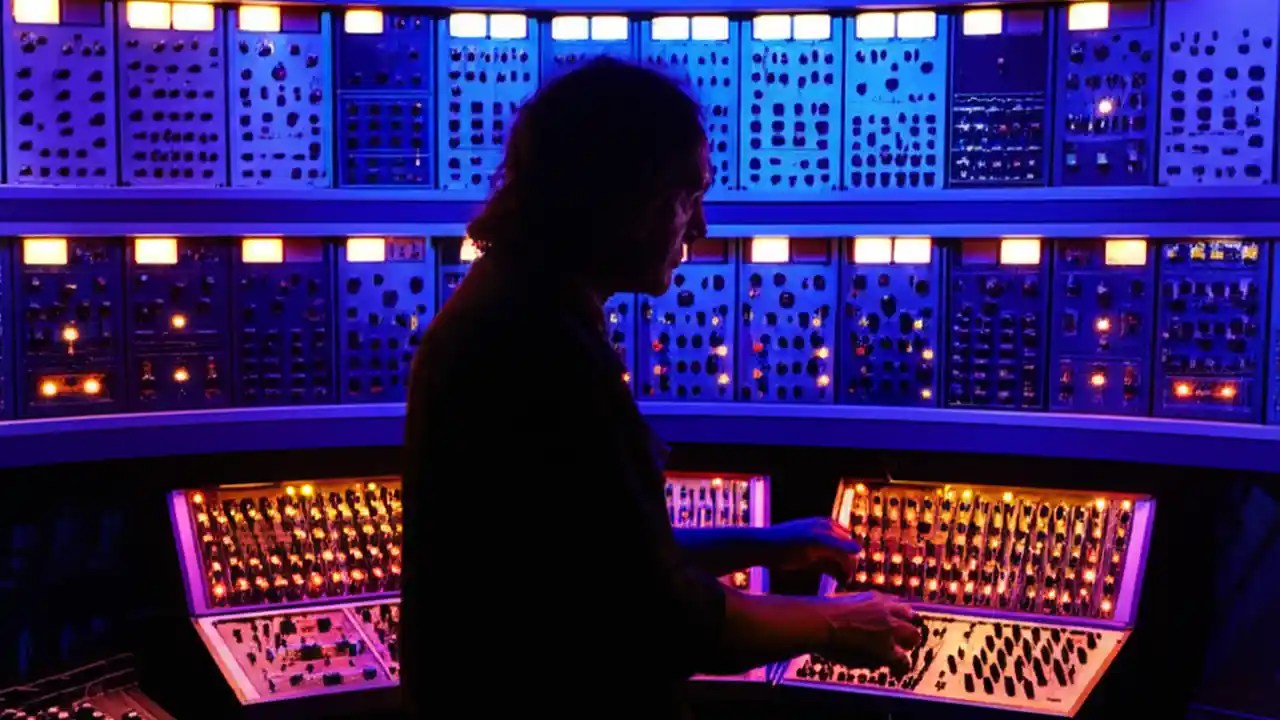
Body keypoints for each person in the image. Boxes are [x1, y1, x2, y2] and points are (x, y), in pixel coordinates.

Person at [400, 57, 920, 718]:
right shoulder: (536, 345)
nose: (698, 229)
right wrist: (834, 623)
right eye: (689, 196)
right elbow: (656, 617)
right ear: (624, 194)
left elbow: (594, 560)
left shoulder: (520, 307)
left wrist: (764, 543)